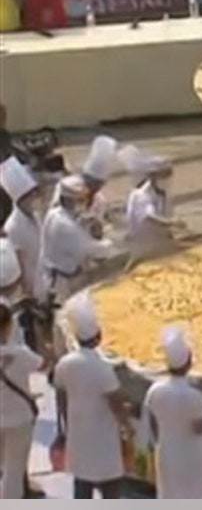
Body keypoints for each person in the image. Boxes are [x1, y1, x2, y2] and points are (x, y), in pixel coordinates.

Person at [52, 293, 131, 499]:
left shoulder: (65, 364)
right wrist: (126, 427)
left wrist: (64, 424)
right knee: (110, 486)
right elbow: (115, 401)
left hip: (78, 432)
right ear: (98, 337)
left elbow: (60, 396)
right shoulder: (102, 368)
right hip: (103, 436)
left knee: (82, 483)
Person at [144, 326, 202, 499]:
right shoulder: (195, 396)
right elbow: (200, 428)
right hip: (190, 453)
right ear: (188, 363)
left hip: (166, 450)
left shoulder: (155, 390)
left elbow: (152, 421)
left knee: (169, 492)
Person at [40, 176, 115, 301]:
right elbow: (92, 249)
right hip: (63, 282)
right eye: (80, 200)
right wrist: (109, 242)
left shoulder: (56, 213)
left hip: (57, 275)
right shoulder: (64, 226)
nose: (84, 203)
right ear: (69, 201)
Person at [0, 299, 46, 499]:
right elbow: (43, 365)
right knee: (14, 471)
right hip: (18, 418)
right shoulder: (20, 354)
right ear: (9, 326)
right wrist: (42, 333)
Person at [118, 144, 182, 263]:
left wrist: (170, 232)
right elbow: (150, 217)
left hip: (160, 244)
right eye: (163, 176)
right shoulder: (141, 195)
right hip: (143, 246)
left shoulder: (163, 193)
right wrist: (172, 222)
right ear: (153, 177)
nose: (167, 179)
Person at [50, 134, 120, 232]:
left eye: (98, 184)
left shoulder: (100, 202)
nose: (94, 187)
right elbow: (55, 215)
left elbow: (97, 229)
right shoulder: (67, 187)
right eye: (91, 182)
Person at [1, 157, 41, 305]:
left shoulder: (36, 215)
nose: (34, 199)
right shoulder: (13, 227)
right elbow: (19, 264)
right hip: (33, 285)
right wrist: (27, 294)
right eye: (30, 196)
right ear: (19, 200)